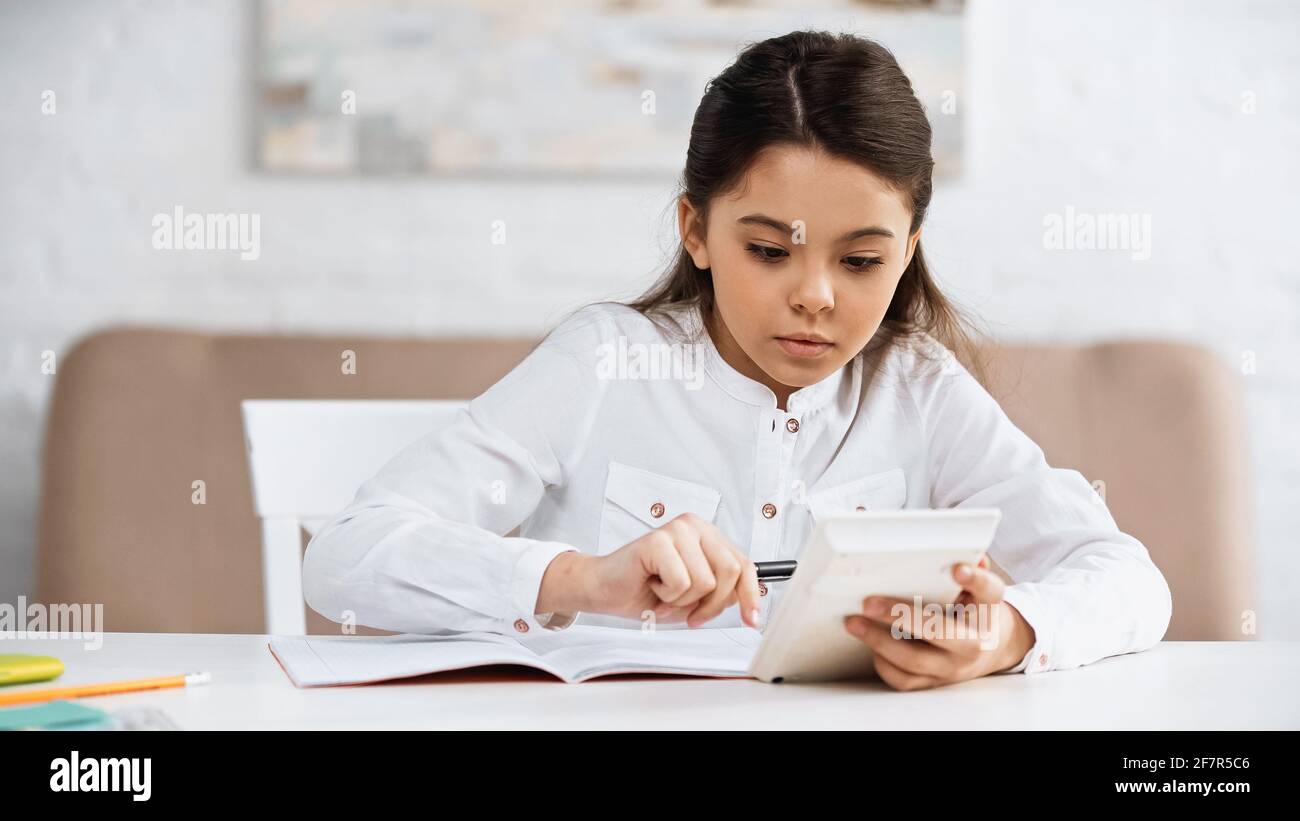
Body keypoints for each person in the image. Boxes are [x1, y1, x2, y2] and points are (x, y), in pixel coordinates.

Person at [302, 30, 1171, 691]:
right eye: (769, 250)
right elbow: (344, 557)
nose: (816, 297)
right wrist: (582, 578)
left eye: (861, 261)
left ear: (908, 251)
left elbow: (1129, 578)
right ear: (697, 231)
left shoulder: (920, 392)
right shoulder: (605, 364)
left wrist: (1011, 629)